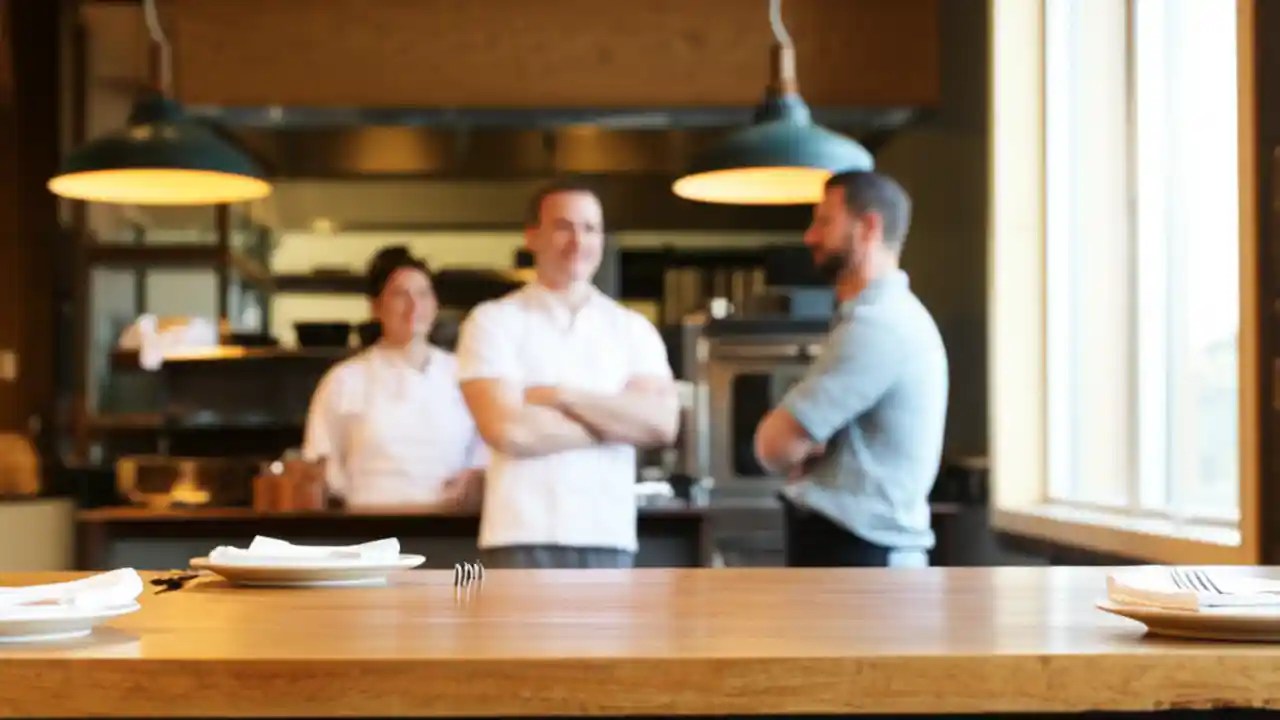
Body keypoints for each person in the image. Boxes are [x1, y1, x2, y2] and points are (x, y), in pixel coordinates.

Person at [455, 178, 679, 569]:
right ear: (532, 237)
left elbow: (661, 424)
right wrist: (616, 423)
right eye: (563, 227)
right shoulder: (492, 322)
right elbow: (509, 430)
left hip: (609, 535)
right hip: (519, 535)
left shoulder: (632, 328)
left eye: (590, 228)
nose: (578, 241)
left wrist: (561, 396)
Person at [753, 171, 948, 568]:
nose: (810, 237)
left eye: (825, 221)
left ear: (868, 227)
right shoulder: (875, 319)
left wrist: (797, 442)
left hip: (863, 558)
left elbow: (774, 446)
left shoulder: (879, 325)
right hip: (852, 551)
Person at [303, 246, 487, 509]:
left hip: (448, 527)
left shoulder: (465, 374)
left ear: (435, 305)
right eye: (401, 295)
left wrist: (475, 478)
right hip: (367, 527)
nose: (414, 306)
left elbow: (487, 448)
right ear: (376, 307)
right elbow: (322, 463)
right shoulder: (345, 380)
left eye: (423, 294)